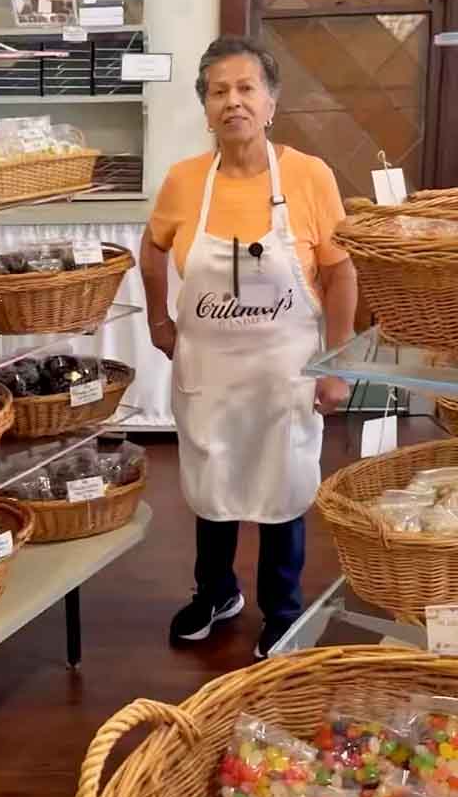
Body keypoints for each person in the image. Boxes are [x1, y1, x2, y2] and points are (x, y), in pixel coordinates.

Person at [140, 35, 357, 658]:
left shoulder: (309, 176)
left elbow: (341, 271)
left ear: (271, 103)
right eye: (218, 91)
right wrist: (158, 323)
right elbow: (152, 250)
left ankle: (282, 609)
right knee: (212, 482)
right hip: (209, 371)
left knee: (283, 486)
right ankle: (215, 593)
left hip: (285, 370)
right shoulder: (185, 181)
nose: (232, 101)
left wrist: (337, 364)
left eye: (245, 88)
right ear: (206, 109)